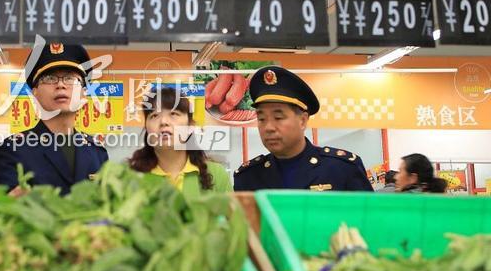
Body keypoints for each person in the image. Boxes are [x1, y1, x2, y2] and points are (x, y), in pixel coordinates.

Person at [0, 43, 108, 195]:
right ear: (34, 92)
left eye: (70, 78)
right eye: (50, 78)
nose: (60, 85)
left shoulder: (97, 152)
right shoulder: (13, 149)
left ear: (84, 92)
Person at [234, 66, 373, 192]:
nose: (268, 127)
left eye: (278, 117)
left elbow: (369, 219)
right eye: (262, 119)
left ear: (303, 120)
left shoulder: (341, 168)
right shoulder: (248, 177)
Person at [129, 87, 232, 196]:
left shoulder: (216, 174)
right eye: (154, 115)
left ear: (190, 126)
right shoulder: (131, 177)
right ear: (146, 127)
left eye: (173, 114)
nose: (164, 122)